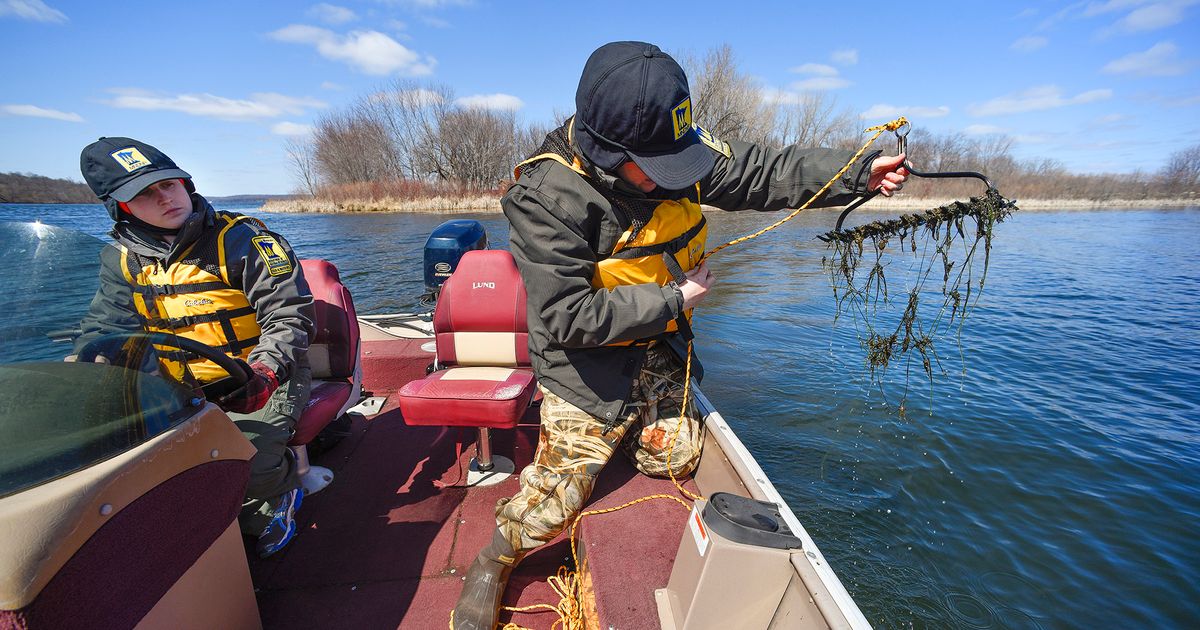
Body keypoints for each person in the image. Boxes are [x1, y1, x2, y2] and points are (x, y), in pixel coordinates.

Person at [451, 41, 908, 628]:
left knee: (681, 454)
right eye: (658, 167)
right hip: (582, 367)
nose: (676, 179)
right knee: (554, 506)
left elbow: (759, 171)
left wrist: (854, 172)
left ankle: (635, 426)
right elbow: (567, 316)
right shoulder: (544, 197)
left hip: (657, 347)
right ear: (605, 151)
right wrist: (675, 298)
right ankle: (492, 560)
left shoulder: (674, 149)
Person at [73, 137, 316, 558]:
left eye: (168, 183)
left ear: (185, 182)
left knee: (248, 463)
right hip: (175, 389)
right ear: (120, 207)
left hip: (263, 378)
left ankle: (281, 493)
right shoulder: (121, 261)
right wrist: (85, 364)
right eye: (144, 194)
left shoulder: (243, 240)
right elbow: (105, 327)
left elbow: (290, 314)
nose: (165, 197)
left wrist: (266, 370)